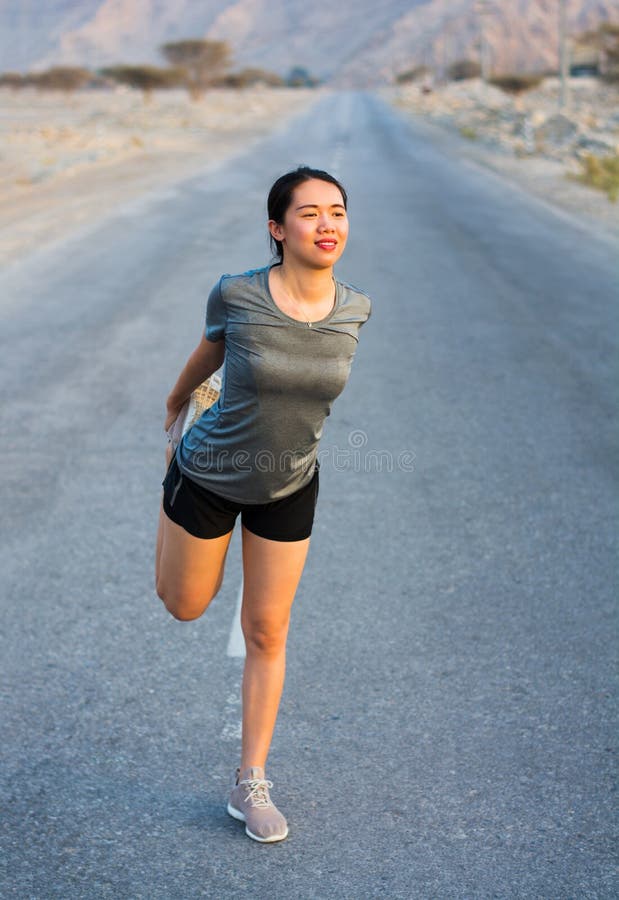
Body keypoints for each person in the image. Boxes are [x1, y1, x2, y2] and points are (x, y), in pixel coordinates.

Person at [155, 166, 371, 843]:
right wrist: (174, 405)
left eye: (335, 211)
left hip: (288, 483)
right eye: (308, 213)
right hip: (210, 474)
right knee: (185, 604)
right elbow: (206, 353)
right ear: (278, 229)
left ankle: (251, 782)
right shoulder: (238, 294)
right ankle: (173, 489)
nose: (326, 223)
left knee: (266, 631)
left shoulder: (355, 308)